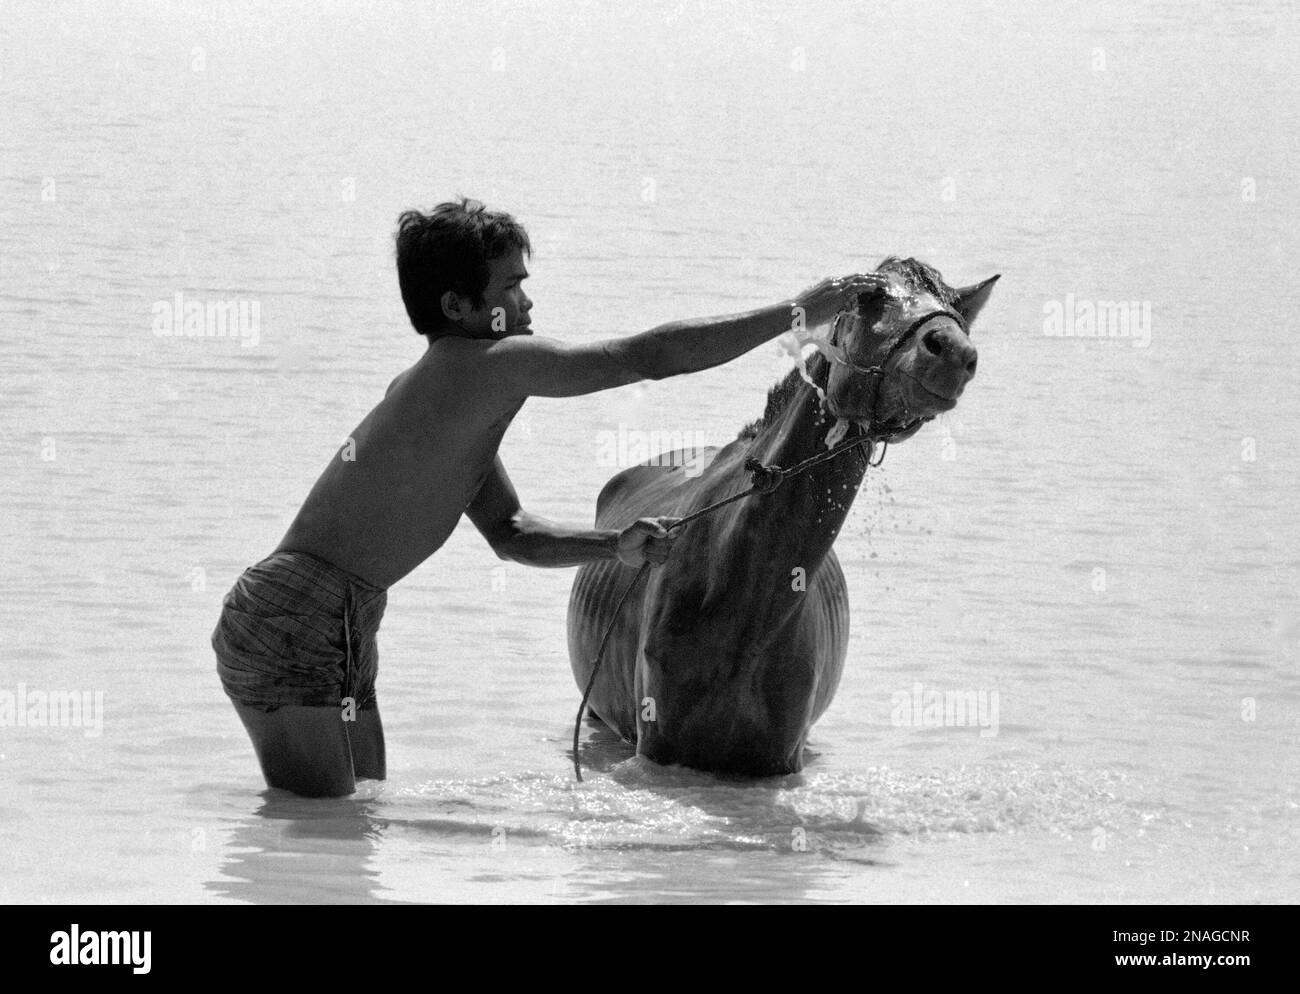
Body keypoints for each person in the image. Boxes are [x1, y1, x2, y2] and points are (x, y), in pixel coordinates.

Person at [212, 197, 878, 797]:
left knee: (351, 831)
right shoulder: (492, 365)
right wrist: (802, 309)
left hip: (344, 618)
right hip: (295, 615)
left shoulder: (451, 396)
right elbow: (646, 356)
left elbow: (513, 534)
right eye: (512, 287)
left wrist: (614, 546)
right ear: (457, 307)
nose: (528, 306)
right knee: (326, 831)